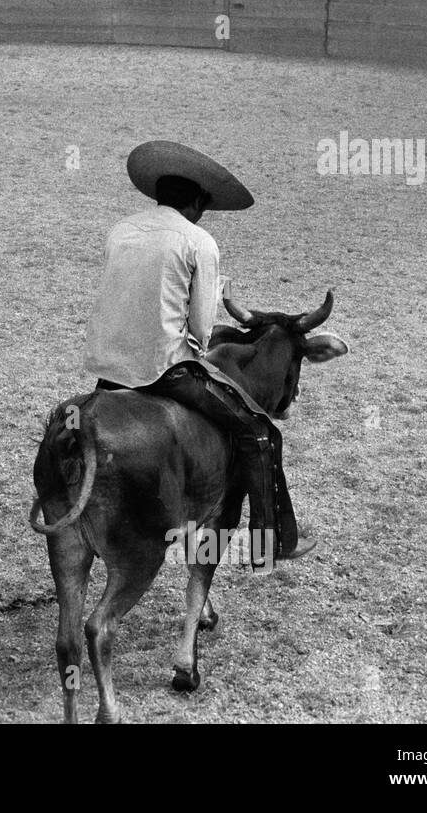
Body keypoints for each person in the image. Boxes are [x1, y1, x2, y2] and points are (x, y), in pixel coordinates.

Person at [83, 140, 317, 568]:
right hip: (163, 370)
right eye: (203, 207)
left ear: (159, 194)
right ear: (195, 201)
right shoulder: (198, 241)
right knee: (261, 433)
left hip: (107, 367)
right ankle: (272, 545)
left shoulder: (122, 229)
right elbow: (201, 330)